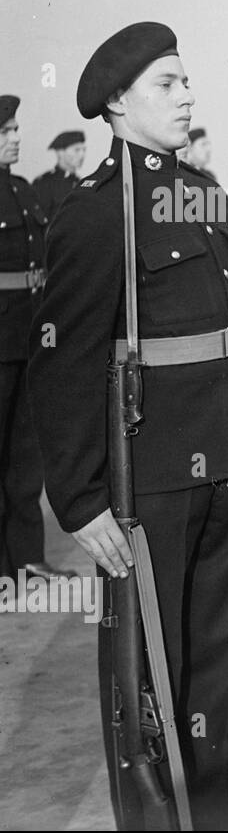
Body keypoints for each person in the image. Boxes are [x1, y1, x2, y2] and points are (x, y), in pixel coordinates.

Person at [28, 22, 228, 829]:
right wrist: (82, 499)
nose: (186, 94)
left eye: (186, 80)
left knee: (223, 674)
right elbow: (63, 364)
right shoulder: (94, 216)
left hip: (225, 460)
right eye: (166, 83)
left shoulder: (200, 194)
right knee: (148, 685)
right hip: (150, 478)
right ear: (118, 105)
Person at [0, 95, 66, 584]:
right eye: (6, 131)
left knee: (26, 456)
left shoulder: (23, 190)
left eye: (16, 129)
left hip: (26, 337)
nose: (16, 137)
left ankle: (25, 559)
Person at [32, 130, 86, 222]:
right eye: (76, 150)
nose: (82, 155)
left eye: (84, 150)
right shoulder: (45, 183)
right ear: (60, 152)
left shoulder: (79, 182)